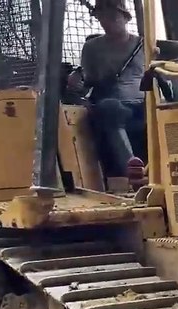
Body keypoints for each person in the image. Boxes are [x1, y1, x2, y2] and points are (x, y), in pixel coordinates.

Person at [67, 0, 146, 179]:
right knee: (109, 108)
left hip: (144, 102)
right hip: (116, 104)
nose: (107, 22)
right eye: (102, 17)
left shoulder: (144, 45)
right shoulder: (92, 48)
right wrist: (76, 83)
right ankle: (132, 168)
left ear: (125, 17)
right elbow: (86, 83)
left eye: (112, 16)